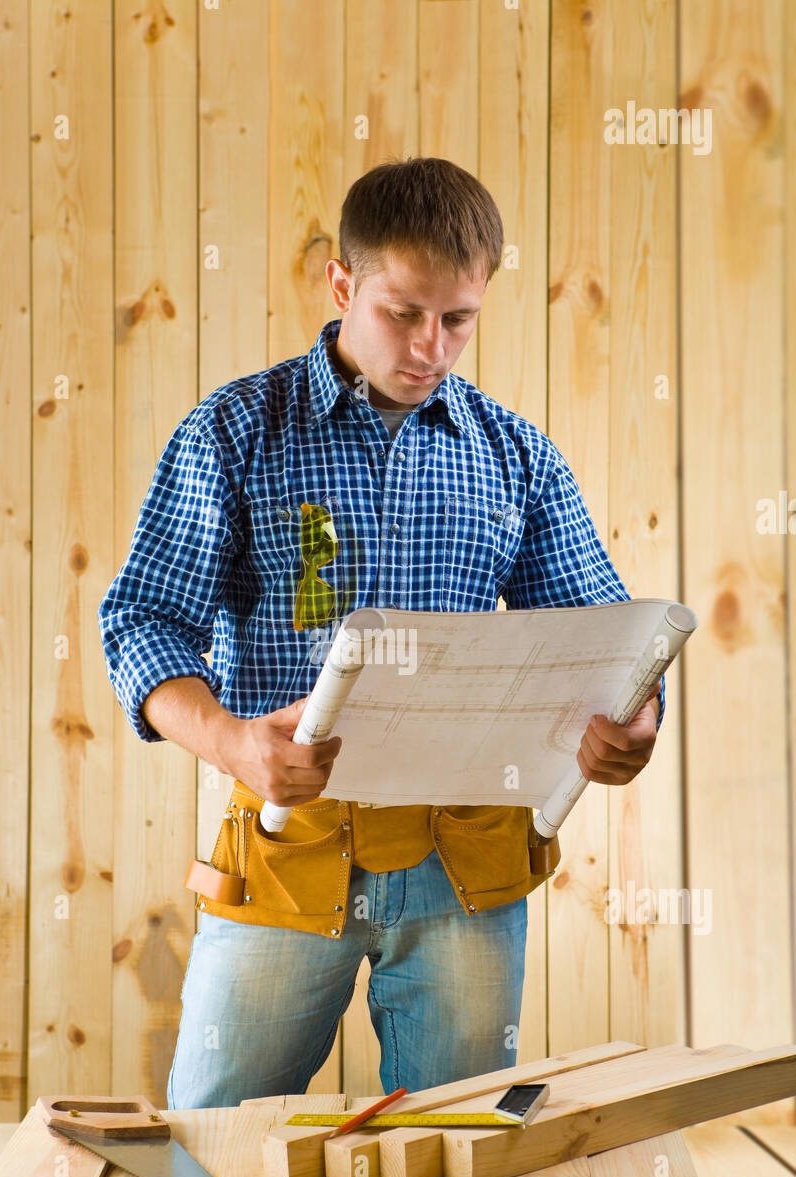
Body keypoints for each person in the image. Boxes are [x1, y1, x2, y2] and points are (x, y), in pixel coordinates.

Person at [97, 156, 664, 1109]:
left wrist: (633, 723)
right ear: (343, 283)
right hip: (281, 851)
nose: (431, 347)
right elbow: (141, 622)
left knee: (461, 1163)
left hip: (468, 871)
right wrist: (233, 742)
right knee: (215, 1149)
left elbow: (606, 643)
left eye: (459, 319)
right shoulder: (234, 433)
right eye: (403, 313)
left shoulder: (519, 457)